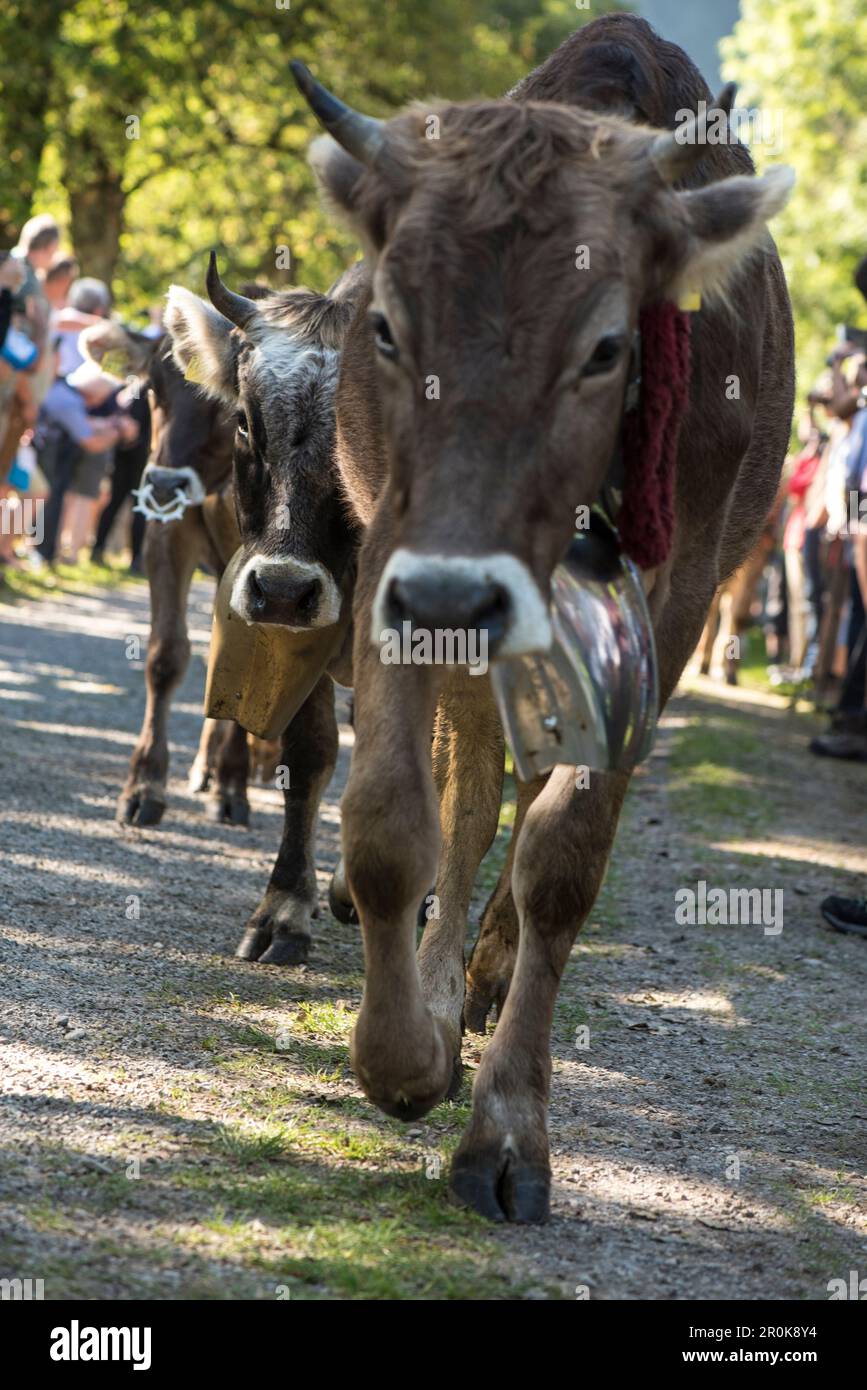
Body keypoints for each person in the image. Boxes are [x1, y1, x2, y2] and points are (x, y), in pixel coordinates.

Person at [33, 359, 139, 566]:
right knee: (35, 497)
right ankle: (27, 551)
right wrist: (118, 431)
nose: (98, 404)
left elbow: (86, 426)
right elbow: (90, 442)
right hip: (36, 453)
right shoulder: (70, 402)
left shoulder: (67, 394)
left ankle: (36, 551)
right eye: (100, 398)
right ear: (93, 393)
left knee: (39, 496)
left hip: (43, 454)